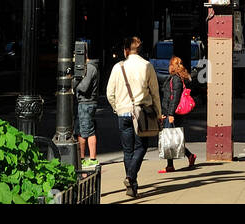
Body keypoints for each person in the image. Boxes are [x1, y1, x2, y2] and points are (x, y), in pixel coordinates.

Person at [106, 36, 162, 199]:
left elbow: (110, 93)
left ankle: (132, 185)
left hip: (123, 113)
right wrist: (158, 113)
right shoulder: (147, 66)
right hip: (142, 112)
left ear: (126, 50)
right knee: (142, 146)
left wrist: (117, 108)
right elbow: (155, 92)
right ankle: (131, 177)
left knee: (127, 150)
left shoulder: (118, 67)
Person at [158, 55, 197, 175]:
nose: (169, 67)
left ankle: (171, 165)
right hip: (171, 112)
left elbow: (174, 97)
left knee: (169, 138)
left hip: (173, 113)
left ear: (173, 66)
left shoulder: (175, 79)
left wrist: (170, 114)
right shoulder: (175, 78)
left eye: (170, 65)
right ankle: (190, 156)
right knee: (173, 138)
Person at [75, 48, 100, 166]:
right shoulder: (89, 68)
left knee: (88, 131)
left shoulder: (89, 68)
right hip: (84, 103)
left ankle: (92, 159)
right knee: (81, 131)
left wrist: (73, 82)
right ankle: (82, 158)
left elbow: (84, 87)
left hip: (87, 103)